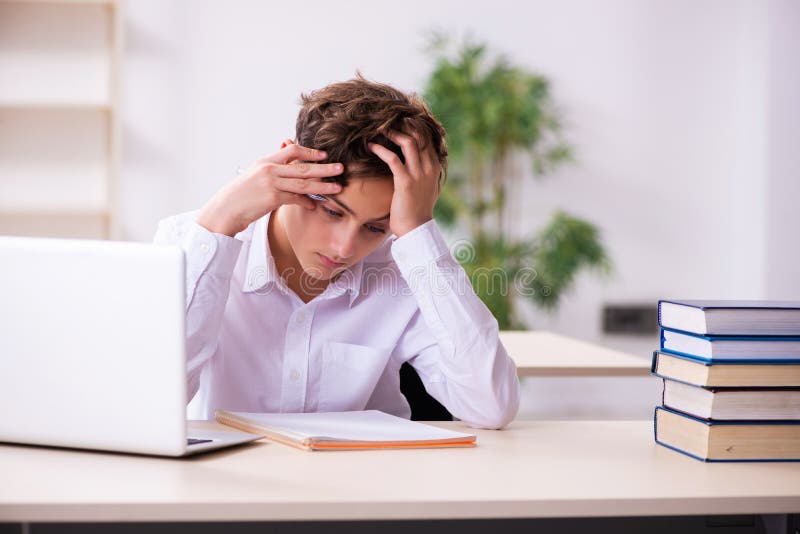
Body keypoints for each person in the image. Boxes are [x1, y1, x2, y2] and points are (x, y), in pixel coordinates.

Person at [154, 75, 520, 429]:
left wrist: (418, 234)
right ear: (290, 169)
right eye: (332, 211)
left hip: (363, 485)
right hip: (229, 486)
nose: (345, 248)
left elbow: (491, 407)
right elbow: (153, 400)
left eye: (375, 227)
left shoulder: (405, 267)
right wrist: (218, 223)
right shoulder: (192, 241)